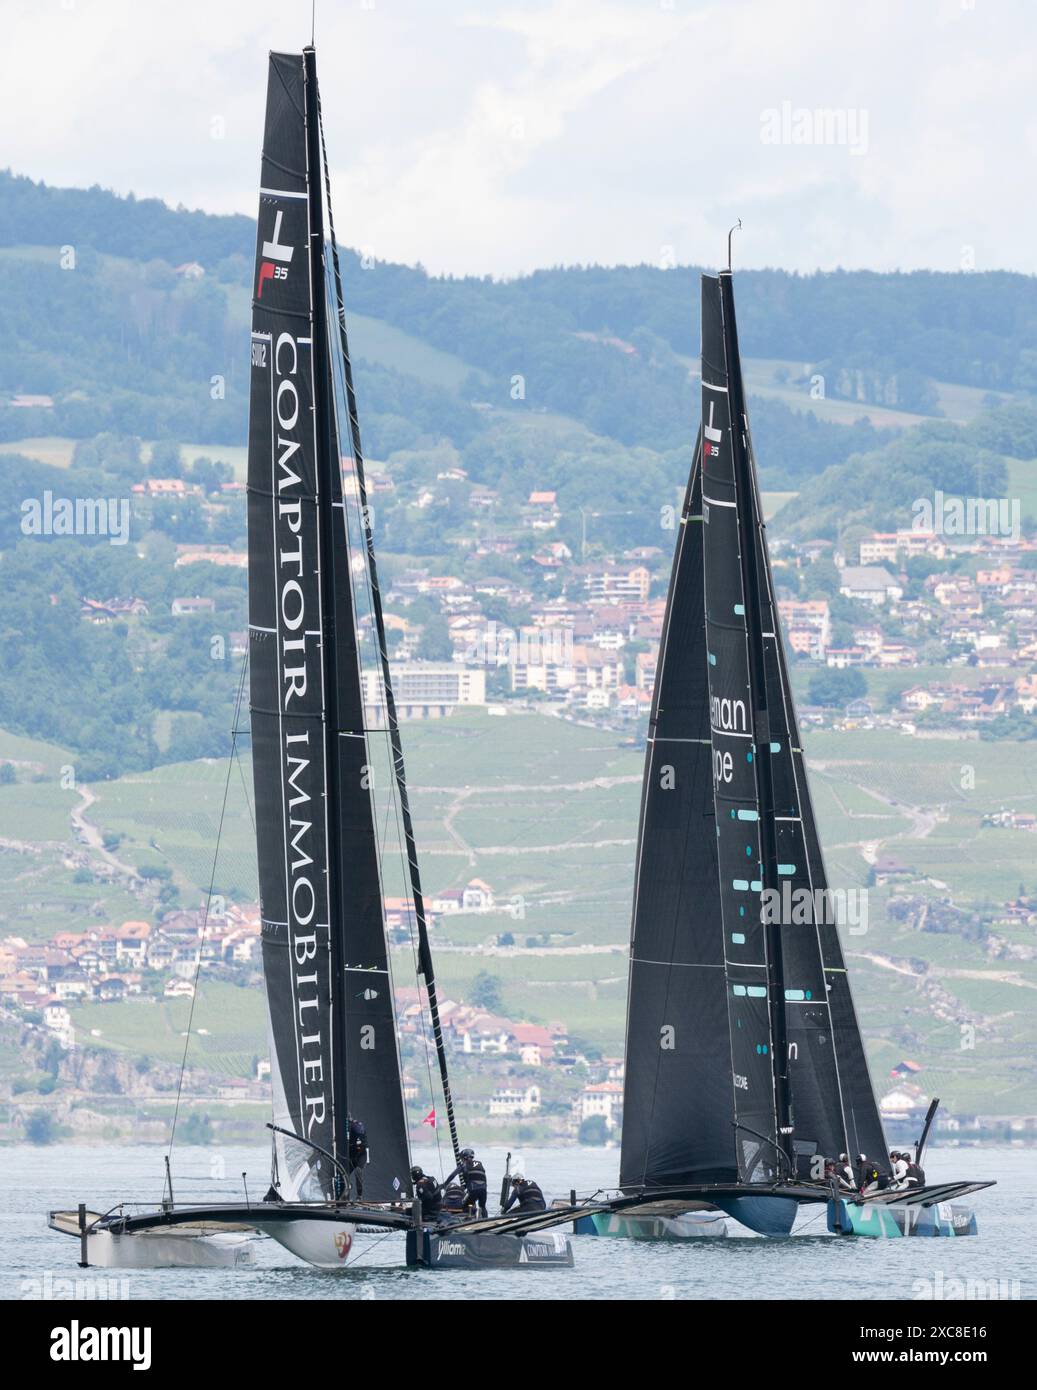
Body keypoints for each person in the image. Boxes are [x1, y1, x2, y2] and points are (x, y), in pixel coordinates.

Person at [442, 1146, 489, 1219]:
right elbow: (478, 1177)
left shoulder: (463, 1165)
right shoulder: (480, 1164)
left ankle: (465, 1222)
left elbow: (452, 1175)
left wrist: (444, 1184)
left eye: (461, 1159)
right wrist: (465, 1186)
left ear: (464, 1158)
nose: (461, 1160)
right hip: (483, 1189)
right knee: (482, 1206)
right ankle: (486, 1221)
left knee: (465, 1206)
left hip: (473, 1190)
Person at [347, 1116, 368, 1199]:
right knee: (343, 1173)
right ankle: (344, 1195)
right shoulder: (343, 1128)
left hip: (360, 1155)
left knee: (358, 1171)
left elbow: (360, 1131)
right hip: (350, 1156)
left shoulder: (356, 1125)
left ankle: (359, 1196)